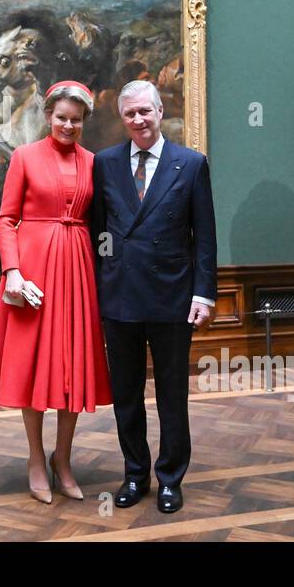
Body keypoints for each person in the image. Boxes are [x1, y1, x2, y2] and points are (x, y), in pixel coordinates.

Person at [90, 79, 217, 515]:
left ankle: (170, 479)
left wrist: (204, 294)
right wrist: (102, 281)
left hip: (173, 298)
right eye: (130, 114)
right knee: (126, 394)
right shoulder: (105, 164)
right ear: (122, 118)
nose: (139, 120)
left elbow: (205, 238)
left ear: (160, 112)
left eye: (146, 111)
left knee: (171, 395)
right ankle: (134, 473)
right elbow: (97, 233)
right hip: (120, 298)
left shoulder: (191, 163)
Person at [0, 80, 112, 505]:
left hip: (77, 269)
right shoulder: (23, 156)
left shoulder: (95, 162)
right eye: (61, 118)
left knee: (72, 365)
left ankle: (64, 460)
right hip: (33, 272)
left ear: (84, 122)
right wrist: (13, 273)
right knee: (34, 365)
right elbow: (7, 219)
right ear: (48, 116)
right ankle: (36, 458)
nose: (68, 126)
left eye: (76, 120)